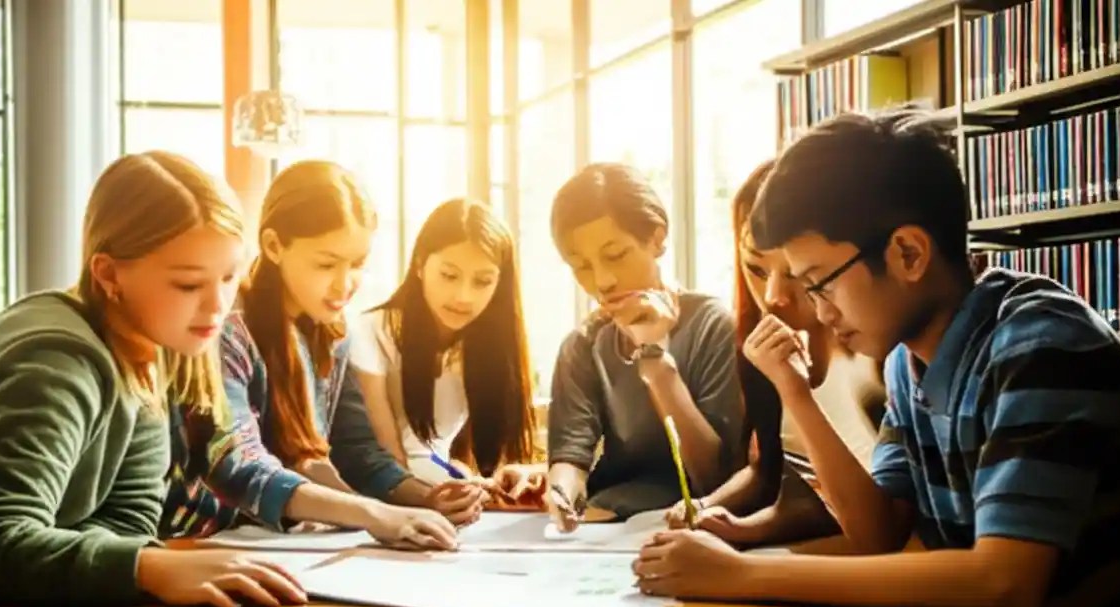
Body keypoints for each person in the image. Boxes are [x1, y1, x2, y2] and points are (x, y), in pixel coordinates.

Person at [633, 110, 1120, 607]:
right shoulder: (910, 364)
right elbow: (877, 535)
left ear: (907, 253)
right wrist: (794, 392)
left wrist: (743, 577)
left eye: (820, 282)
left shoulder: (1038, 343)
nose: (815, 309)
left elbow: (1004, 587)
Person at [0, 151, 306, 607]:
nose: (217, 306)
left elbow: (127, 522)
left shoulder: (143, 349)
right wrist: (152, 567)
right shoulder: (56, 363)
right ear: (107, 273)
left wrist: (140, 563)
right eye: (187, 285)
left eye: (228, 278)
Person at [161, 160, 468, 547]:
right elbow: (238, 463)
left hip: (283, 546)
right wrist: (373, 514)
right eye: (326, 264)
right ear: (274, 246)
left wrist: (426, 498)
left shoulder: (333, 333)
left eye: (357, 264)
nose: (345, 284)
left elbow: (356, 451)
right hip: (196, 543)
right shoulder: (224, 330)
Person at [663, 159, 885, 549]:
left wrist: (748, 549)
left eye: (796, 273)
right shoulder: (766, 345)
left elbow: (881, 527)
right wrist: (715, 514)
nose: (772, 297)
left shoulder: (880, 350)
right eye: (756, 269)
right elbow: (784, 479)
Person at [545, 162, 742, 529]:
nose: (602, 281)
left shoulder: (712, 327)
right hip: (610, 525)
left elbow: (716, 475)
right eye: (581, 266)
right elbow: (570, 456)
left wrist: (655, 357)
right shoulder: (583, 345)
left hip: (700, 525)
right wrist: (561, 492)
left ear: (657, 238)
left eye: (615, 255)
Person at [350, 198, 547, 509]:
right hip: (389, 495)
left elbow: (449, 455)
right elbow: (389, 461)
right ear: (419, 265)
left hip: (441, 492)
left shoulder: (489, 344)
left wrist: (485, 484)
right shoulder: (371, 332)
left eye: (482, 281)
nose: (463, 296)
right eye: (449, 275)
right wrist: (444, 493)